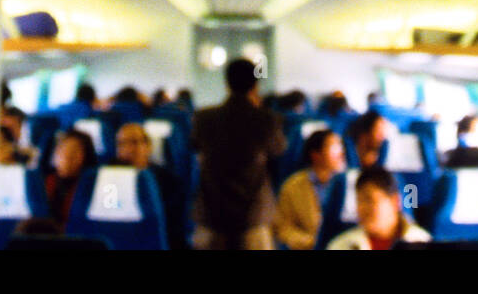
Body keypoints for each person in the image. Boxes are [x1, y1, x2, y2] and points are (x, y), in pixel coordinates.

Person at [189, 58, 286, 249]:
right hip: (254, 215)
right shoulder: (267, 119)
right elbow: (278, 150)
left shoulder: (204, 118)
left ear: (227, 83)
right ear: (255, 85)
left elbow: (194, 146)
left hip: (212, 213)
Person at [115, 123, 187, 249]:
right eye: (121, 144)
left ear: (148, 147)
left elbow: (172, 229)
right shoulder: (109, 180)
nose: (128, 149)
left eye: (134, 142)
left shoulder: (169, 181)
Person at [326, 166, 432, 250]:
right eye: (359, 201)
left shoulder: (422, 241)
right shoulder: (341, 246)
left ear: (395, 201)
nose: (361, 208)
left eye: (369, 200)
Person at [273, 128, 345, 250]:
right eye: (334, 147)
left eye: (340, 146)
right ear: (316, 155)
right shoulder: (293, 186)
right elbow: (283, 228)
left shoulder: (348, 184)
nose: (341, 153)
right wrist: (313, 242)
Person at [41, 129, 97, 234]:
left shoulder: (91, 186)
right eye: (63, 149)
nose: (67, 156)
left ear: (86, 156)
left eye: (75, 151)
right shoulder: (43, 182)